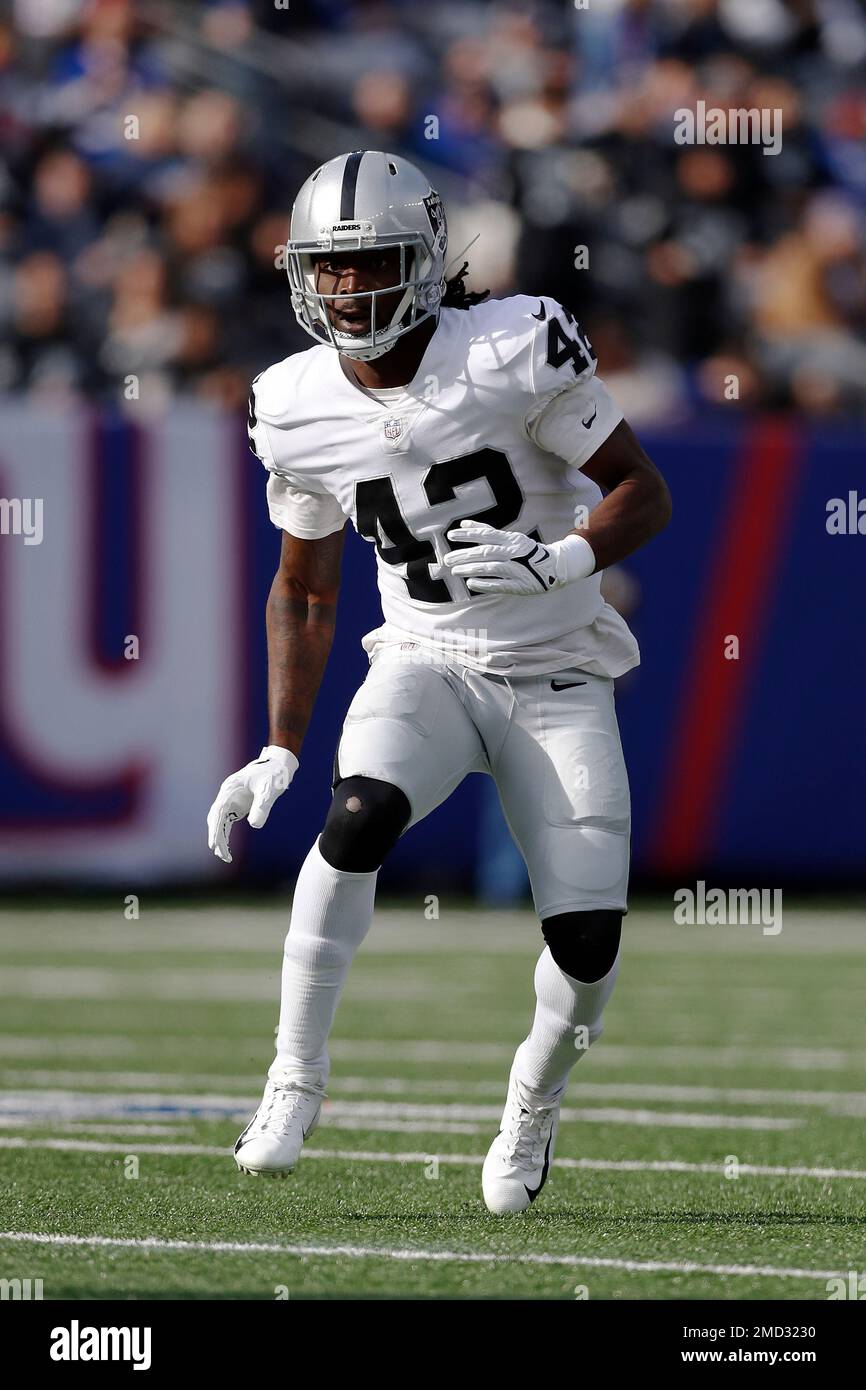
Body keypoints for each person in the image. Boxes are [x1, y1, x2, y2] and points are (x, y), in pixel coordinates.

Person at [207, 150, 671, 1215]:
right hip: (426, 658)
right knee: (358, 812)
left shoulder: (511, 346)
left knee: (589, 949)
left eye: (371, 261)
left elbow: (641, 490)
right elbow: (305, 589)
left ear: (422, 260)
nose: (347, 287)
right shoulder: (291, 401)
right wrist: (279, 744)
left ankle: (531, 1104)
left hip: (557, 669)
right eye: (327, 266)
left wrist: (561, 560)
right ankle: (293, 1076)